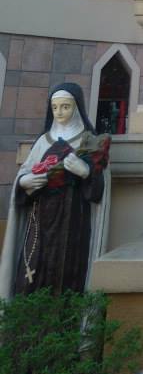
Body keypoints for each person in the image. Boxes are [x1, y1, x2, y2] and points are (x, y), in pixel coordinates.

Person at [0, 82, 111, 298]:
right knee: (32, 272)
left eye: (65, 107)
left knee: (67, 274)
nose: (59, 112)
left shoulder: (89, 142)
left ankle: (65, 327)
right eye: (55, 108)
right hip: (39, 219)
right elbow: (23, 176)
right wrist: (24, 182)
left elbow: (99, 191)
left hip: (72, 222)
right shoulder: (43, 141)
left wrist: (86, 172)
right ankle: (30, 326)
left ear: (77, 108)